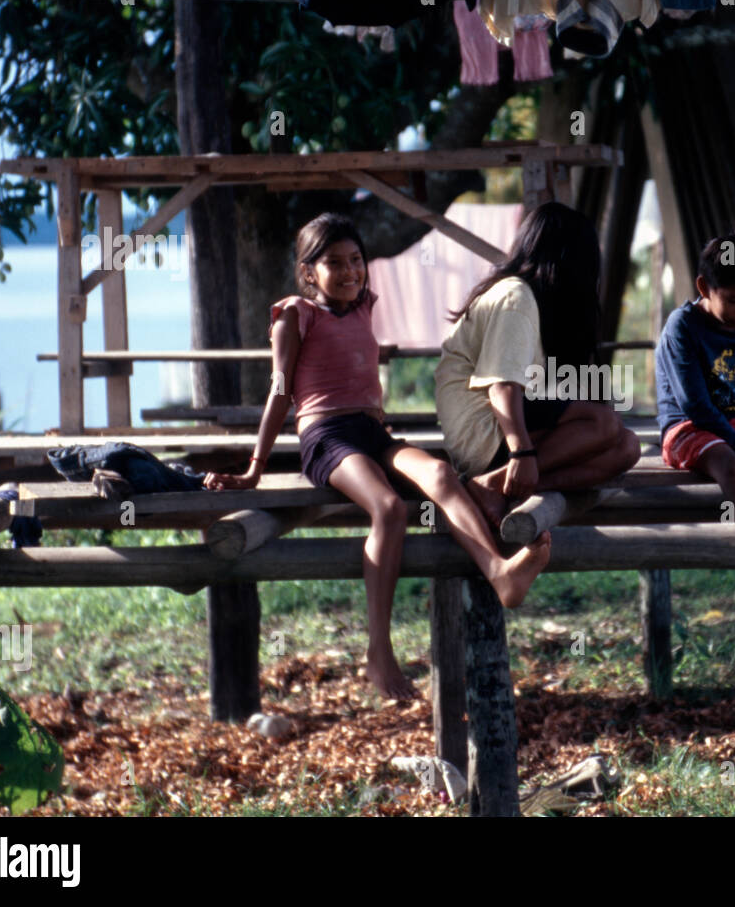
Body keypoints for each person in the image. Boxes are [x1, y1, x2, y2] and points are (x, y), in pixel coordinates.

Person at [203, 213, 551, 699]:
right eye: (333, 264)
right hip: (327, 437)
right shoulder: (294, 315)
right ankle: (379, 652)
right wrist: (252, 470)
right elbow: (280, 393)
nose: (349, 272)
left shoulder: (364, 305)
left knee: (440, 474)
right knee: (387, 508)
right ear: (308, 272)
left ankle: (499, 573)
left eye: (355, 261)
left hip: (372, 432)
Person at [436, 201, 641, 526]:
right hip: (483, 429)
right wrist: (521, 453)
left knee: (628, 447)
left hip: (503, 432)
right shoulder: (515, 295)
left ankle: (499, 487)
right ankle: (503, 477)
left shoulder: (539, 302)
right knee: (604, 425)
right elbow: (501, 385)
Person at [654, 226, 735, 524]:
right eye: (733, 300)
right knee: (732, 466)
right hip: (687, 429)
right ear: (703, 288)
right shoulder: (682, 327)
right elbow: (697, 409)